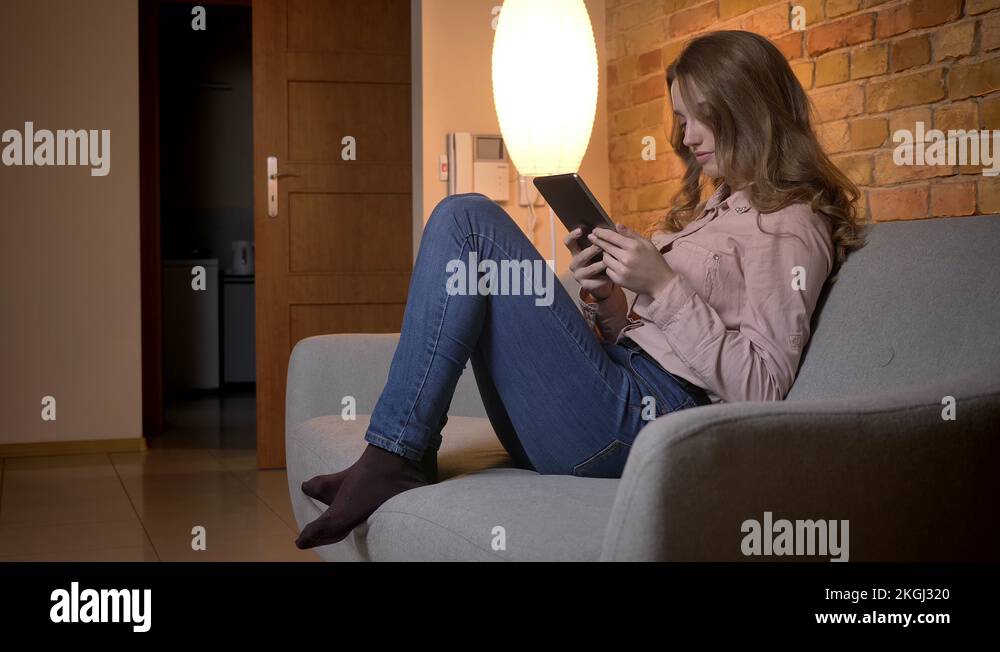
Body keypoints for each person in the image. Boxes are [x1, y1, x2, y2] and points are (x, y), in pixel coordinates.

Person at [294, 29, 867, 550]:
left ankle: (395, 453)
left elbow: (764, 391)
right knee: (467, 233)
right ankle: (397, 450)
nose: (686, 137)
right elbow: (647, 339)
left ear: (748, 110)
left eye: (699, 117)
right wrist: (610, 300)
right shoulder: (716, 208)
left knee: (467, 220)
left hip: (642, 424)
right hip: (613, 391)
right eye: (680, 119)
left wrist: (664, 286)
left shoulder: (790, 222)